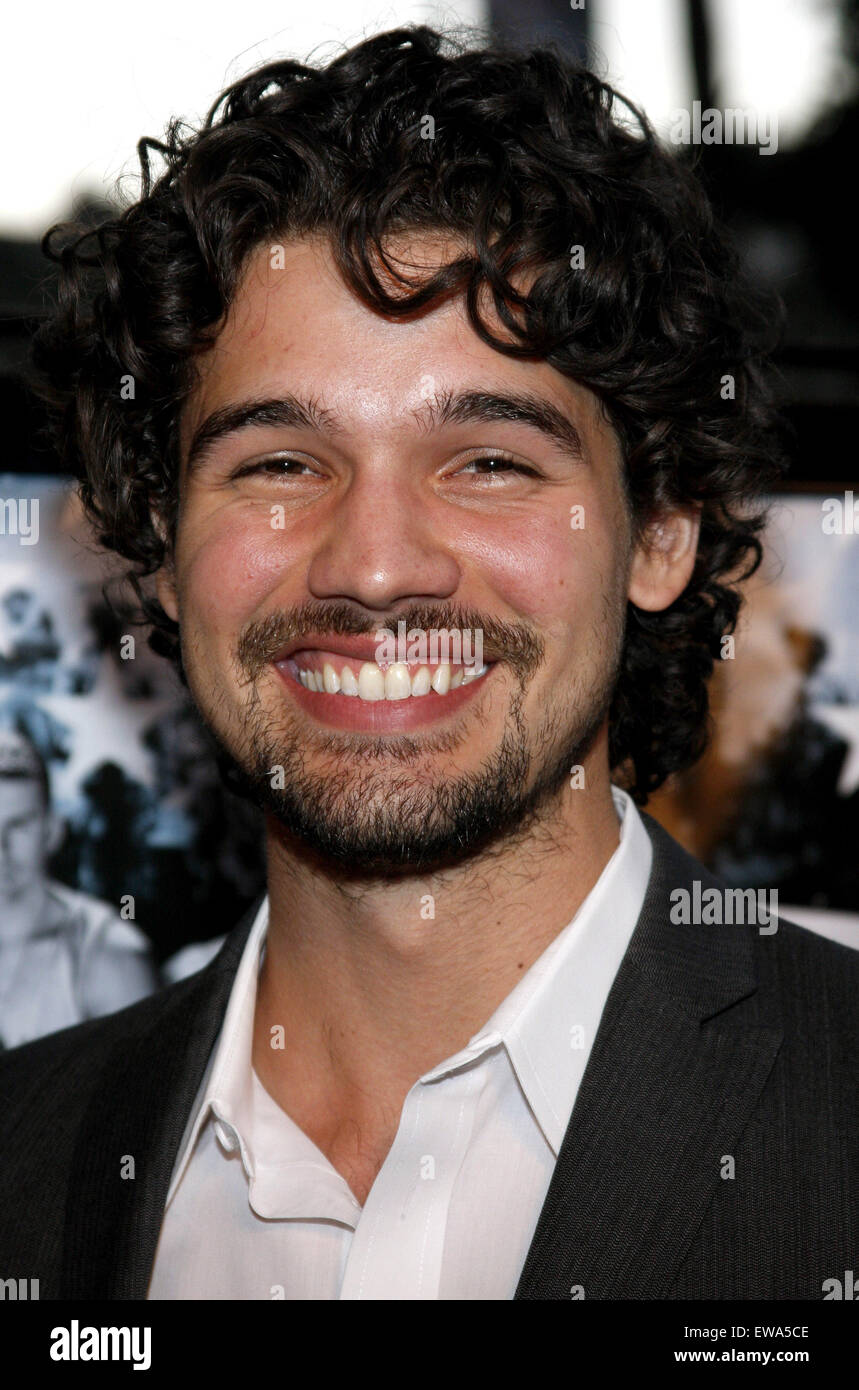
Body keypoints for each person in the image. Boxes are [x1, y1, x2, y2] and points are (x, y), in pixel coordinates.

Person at [2, 24, 855, 1300]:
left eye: (490, 461)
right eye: (280, 462)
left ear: (659, 531)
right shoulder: (26, 1155)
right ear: (166, 553)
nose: (377, 564)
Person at [0, 729, 157, 1048]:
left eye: (18, 825)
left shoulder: (106, 952)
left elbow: (148, 1090)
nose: (1, 848)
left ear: (51, 831)